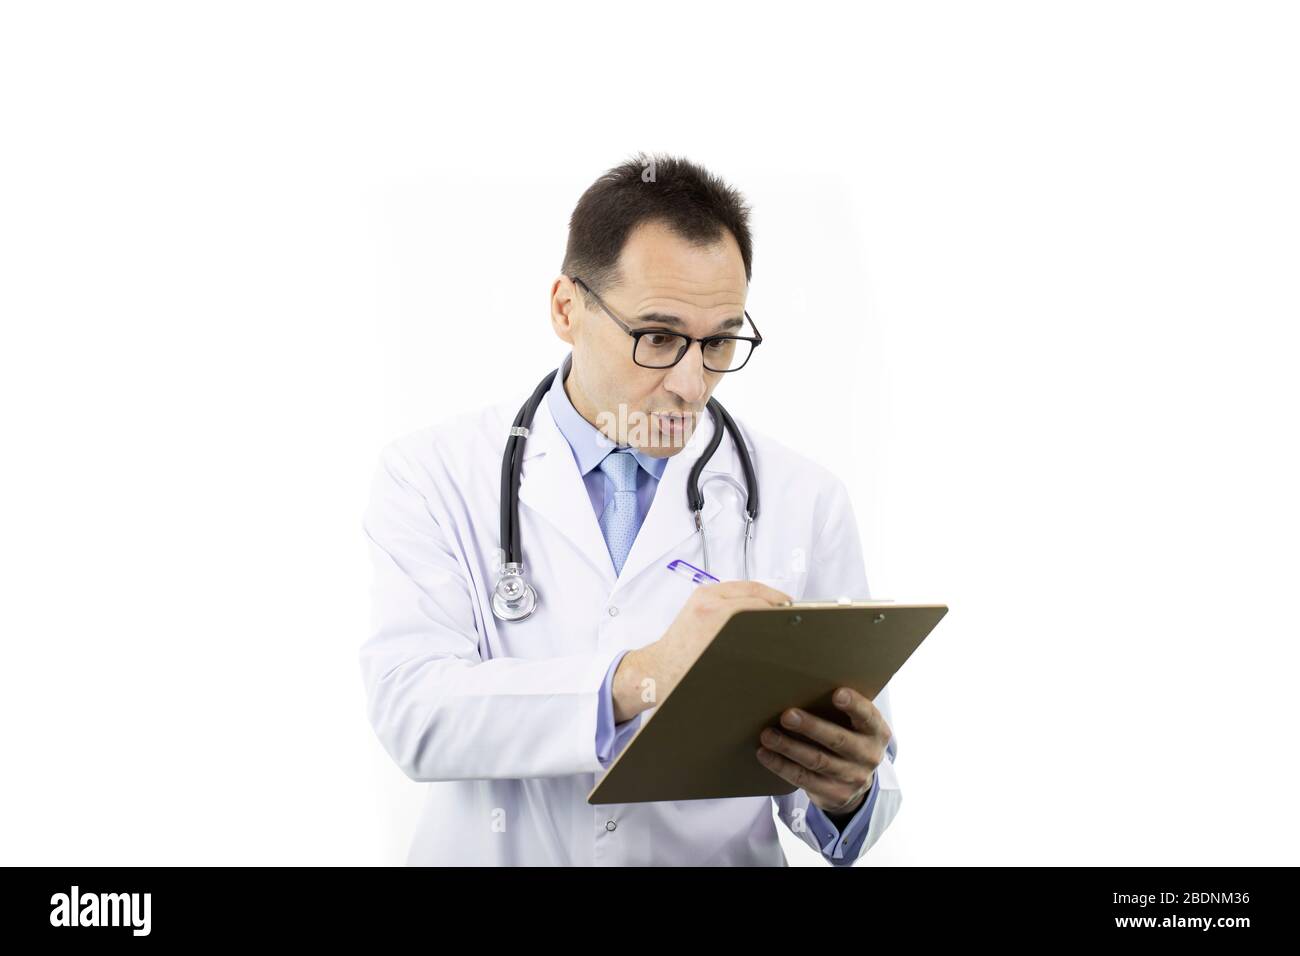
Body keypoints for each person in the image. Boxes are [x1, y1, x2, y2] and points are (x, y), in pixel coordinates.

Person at [359, 153, 900, 866]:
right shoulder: (432, 475)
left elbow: (862, 785)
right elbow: (415, 713)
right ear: (566, 308)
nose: (690, 381)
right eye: (658, 337)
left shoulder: (806, 501)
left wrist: (846, 792)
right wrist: (640, 674)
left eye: (720, 341)